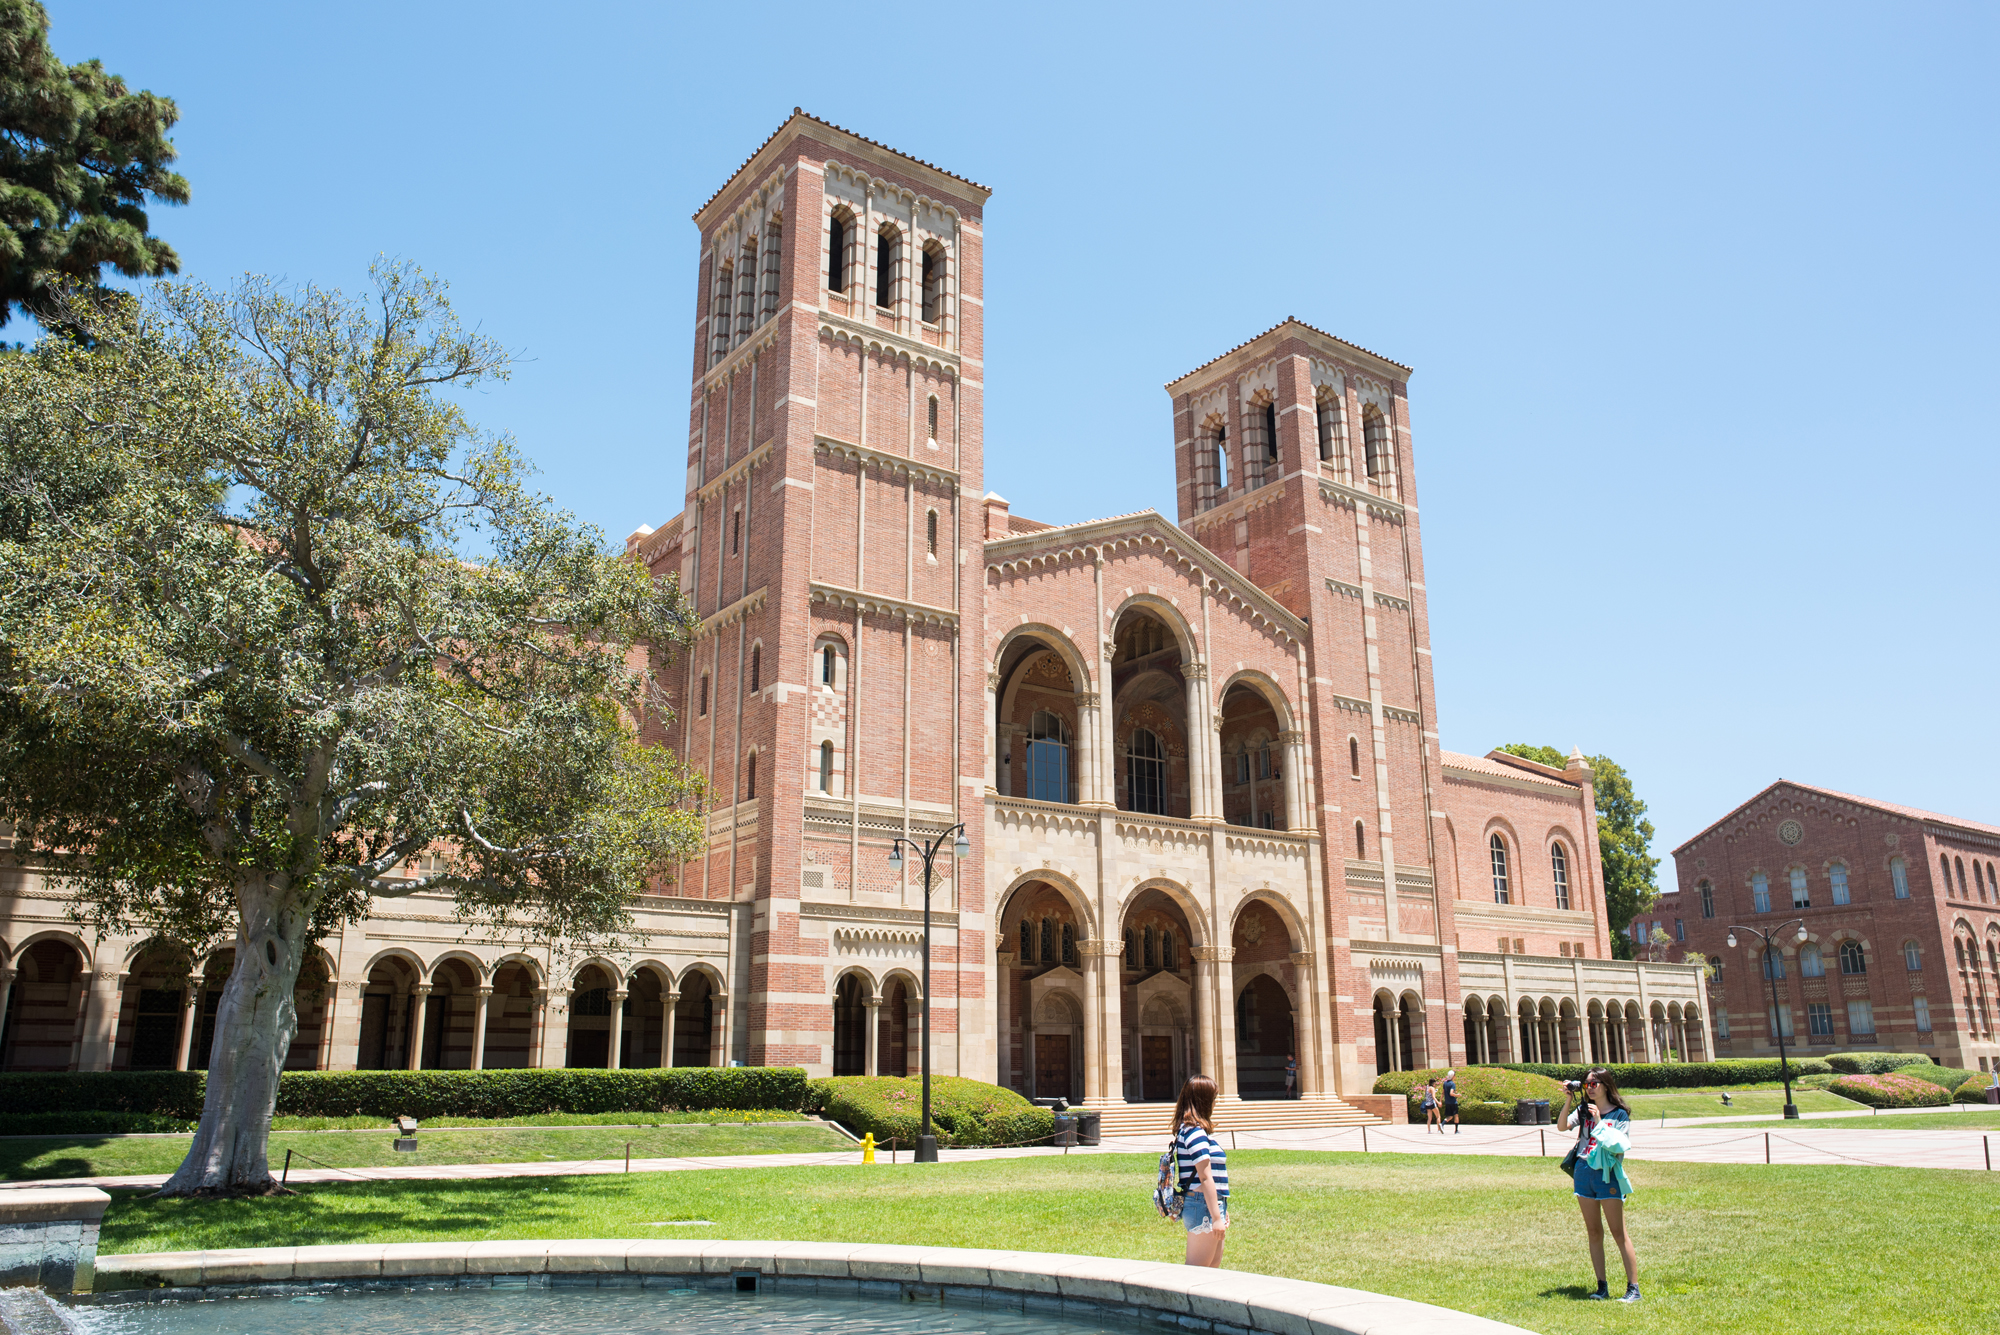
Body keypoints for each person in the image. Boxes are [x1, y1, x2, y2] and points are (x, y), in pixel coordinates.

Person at [1560, 1067, 1639, 1303]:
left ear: (1605, 1085)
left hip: (1607, 1173)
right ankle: (1601, 1286)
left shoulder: (1619, 1115)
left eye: (1594, 1083)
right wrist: (1567, 1100)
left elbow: (1617, 1145)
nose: (1590, 1088)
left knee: (1618, 1232)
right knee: (1594, 1231)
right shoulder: (1583, 1109)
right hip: (1583, 1170)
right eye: (1586, 1084)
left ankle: (1633, 1288)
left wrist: (1598, 1120)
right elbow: (1562, 1126)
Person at [1173, 1074, 1229, 1267]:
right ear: (1203, 1101)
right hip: (1202, 1205)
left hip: (1208, 1204)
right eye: (1213, 1098)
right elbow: (1205, 1178)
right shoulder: (1193, 1132)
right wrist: (1215, 1217)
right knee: (1197, 1273)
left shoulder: (1195, 1131)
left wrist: (1221, 1209)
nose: (1215, 1103)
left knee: (1211, 1270)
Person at [1441, 1069, 1460, 1134]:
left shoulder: (1445, 1083)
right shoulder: (1452, 1084)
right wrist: (1457, 1095)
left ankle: (1442, 1124)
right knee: (1456, 1115)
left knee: (1450, 1116)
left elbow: (1442, 1093)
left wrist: (1440, 1101)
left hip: (1447, 1102)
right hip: (1453, 1102)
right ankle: (1456, 1130)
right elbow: (1451, 1093)